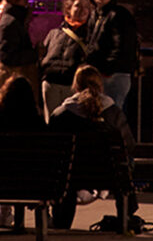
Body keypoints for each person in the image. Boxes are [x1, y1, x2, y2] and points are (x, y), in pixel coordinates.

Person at [48, 64, 137, 230]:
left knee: (62, 170)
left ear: (75, 86)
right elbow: (129, 145)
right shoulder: (113, 113)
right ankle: (126, 215)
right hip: (110, 174)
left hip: (70, 175)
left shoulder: (61, 114)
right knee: (125, 165)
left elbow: (51, 148)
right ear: (100, 85)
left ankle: (61, 221)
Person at [0, 75, 46, 228]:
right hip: (30, 177)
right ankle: (20, 221)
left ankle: (5, 213)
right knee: (23, 169)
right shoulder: (35, 119)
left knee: (9, 167)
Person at [87, 0, 139, 110]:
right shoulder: (95, 15)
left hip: (113, 74)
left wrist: (107, 69)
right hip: (100, 73)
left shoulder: (119, 15)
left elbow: (124, 45)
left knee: (111, 113)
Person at [40, 0, 95, 118]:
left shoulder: (90, 35)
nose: (83, 10)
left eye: (86, 7)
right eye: (78, 6)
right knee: (51, 121)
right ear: (68, 9)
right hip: (51, 83)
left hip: (72, 86)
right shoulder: (54, 33)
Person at [0, 0, 42, 111]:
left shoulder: (12, 19)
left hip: (9, 84)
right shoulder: (11, 23)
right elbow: (8, 57)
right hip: (12, 85)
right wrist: (35, 54)